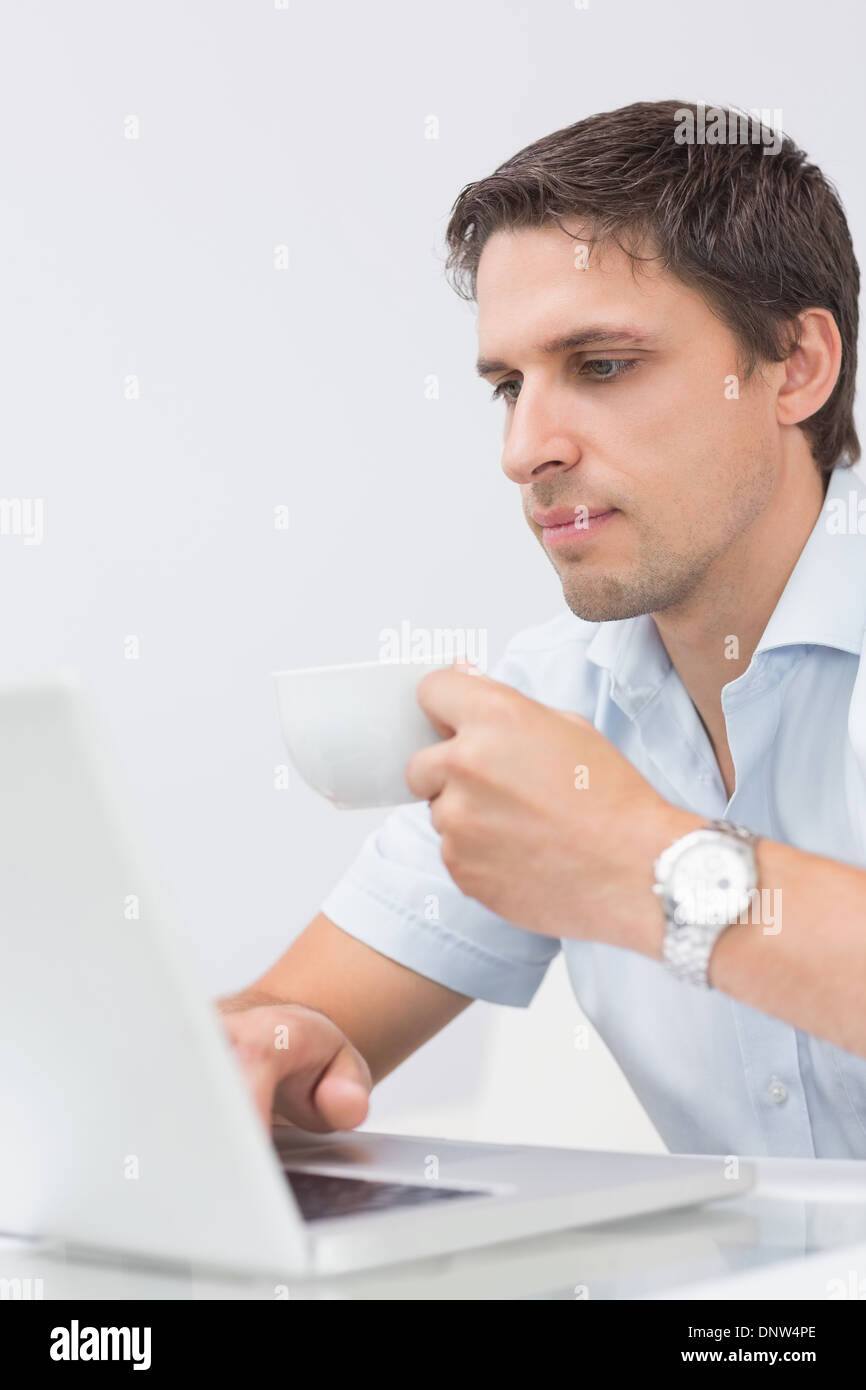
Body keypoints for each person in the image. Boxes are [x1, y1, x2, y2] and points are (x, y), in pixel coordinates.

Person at [220, 100, 866, 1159]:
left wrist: (637, 862)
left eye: (601, 365)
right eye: (508, 387)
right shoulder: (555, 702)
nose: (525, 449)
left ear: (793, 365)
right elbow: (285, 1027)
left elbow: (618, 854)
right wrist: (261, 1053)